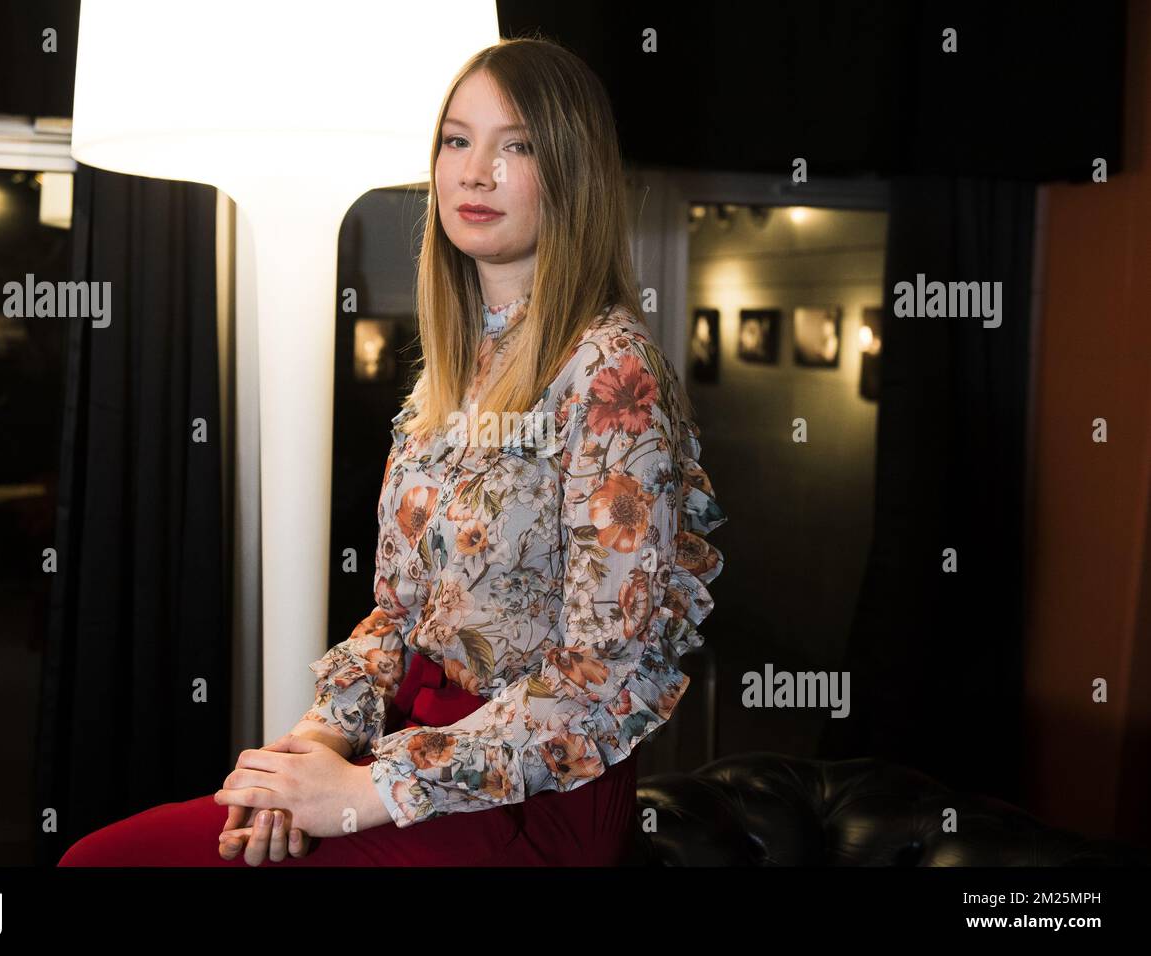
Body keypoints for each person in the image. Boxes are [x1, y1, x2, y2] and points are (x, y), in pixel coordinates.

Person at [58, 35, 726, 868]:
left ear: (572, 173)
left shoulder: (611, 370)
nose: (475, 172)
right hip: (411, 755)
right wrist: (312, 749)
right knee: (107, 857)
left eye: (515, 145)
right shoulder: (450, 372)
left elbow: (602, 679)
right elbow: (397, 615)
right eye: (457, 140)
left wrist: (363, 794)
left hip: (535, 797)